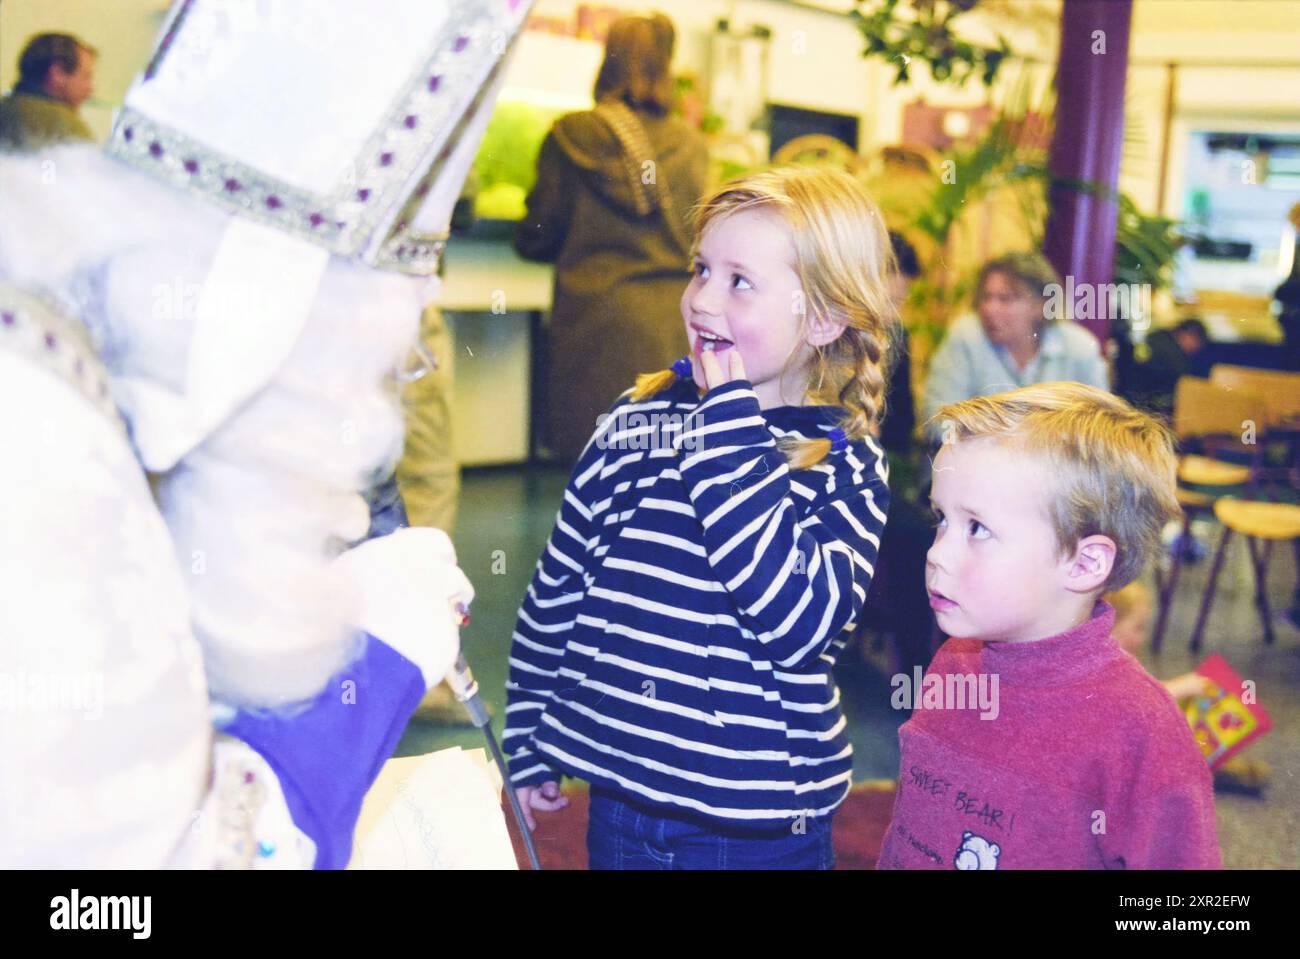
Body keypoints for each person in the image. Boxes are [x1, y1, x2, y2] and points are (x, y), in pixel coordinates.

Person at [504, 166, 895, 869]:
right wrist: (530, 731)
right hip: (621, 799)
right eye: (700, 269)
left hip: (758, 825)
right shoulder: (635, 420)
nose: (702, 299)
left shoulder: (845, 466)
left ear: (827, 317)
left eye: (740, 280)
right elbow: (557, 587)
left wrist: (728, 429)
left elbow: (793, 621)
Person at [878, 382, 1220, 869]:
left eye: (977, 528)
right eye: (941, 518)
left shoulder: (1141, 733)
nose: (937, 553)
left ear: (1084, 565)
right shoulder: (953, 663)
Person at [515, 13, 709, 464]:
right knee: (660, 468)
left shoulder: (571, 135)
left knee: (590, 467)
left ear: (607, 61)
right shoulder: (693, 145)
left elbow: (537, 236)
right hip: (670, 327)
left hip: (592, 327)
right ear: (667, 68)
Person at [921, 252, 1109, 442]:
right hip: (978, 466)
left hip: (1057, 468)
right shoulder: (966, 336)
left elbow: (1101, 426)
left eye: (1005, 299)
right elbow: (937, 420)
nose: (989, 309)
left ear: (1040, 306)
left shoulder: (1079, 348)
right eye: (986, 297)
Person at [0, 32, 96, 150]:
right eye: (86, 77)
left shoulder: (5, 109)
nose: (91, 89)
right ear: (57, 74)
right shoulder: (65, 129)